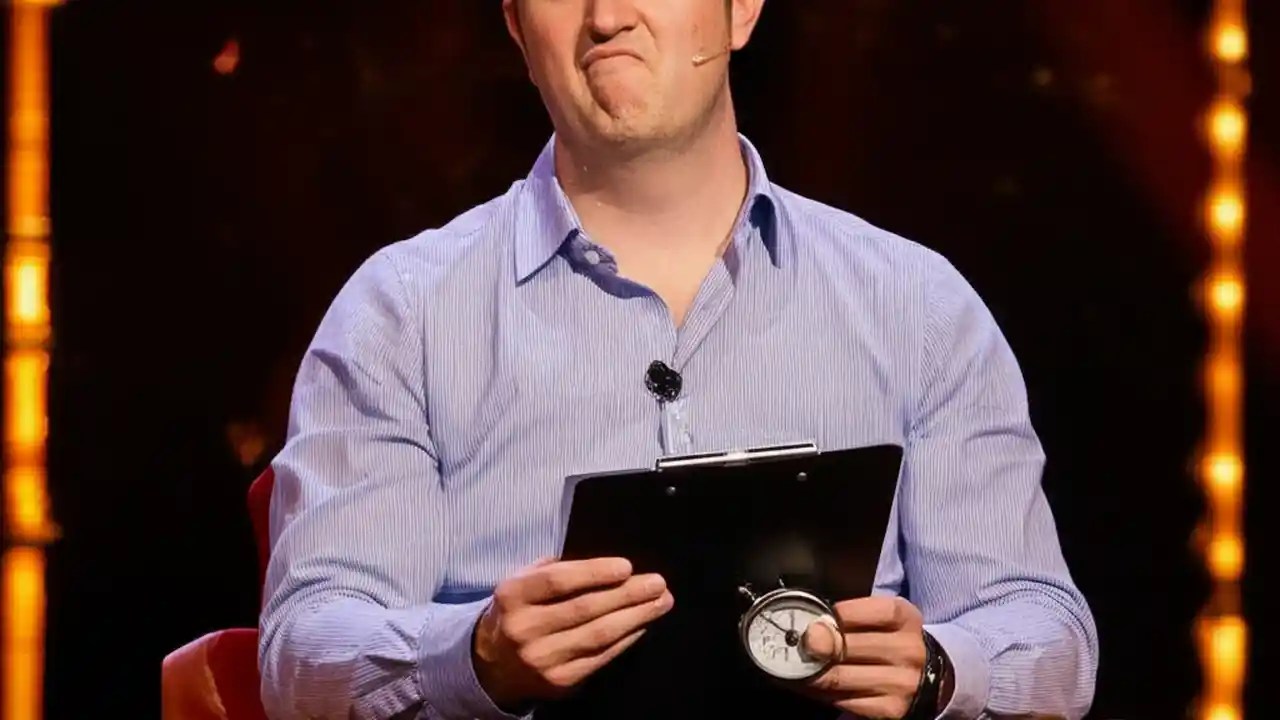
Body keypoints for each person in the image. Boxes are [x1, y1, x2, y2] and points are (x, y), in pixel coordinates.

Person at [258, 1, 1099, 718]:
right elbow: (305, 645)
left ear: (742, 10)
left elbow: (1042, 627)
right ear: (516, 29)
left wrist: (938, 670)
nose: (607, 17)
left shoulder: (917, 305)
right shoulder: (400, 314)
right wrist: (471, 655)